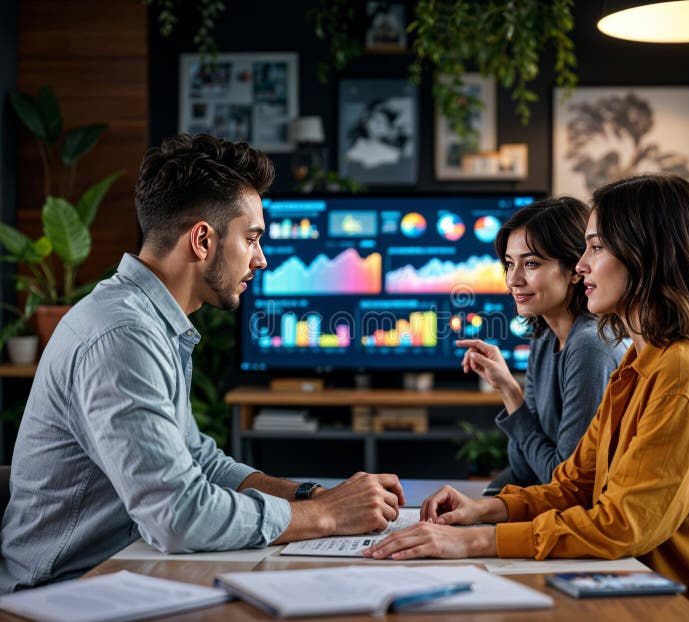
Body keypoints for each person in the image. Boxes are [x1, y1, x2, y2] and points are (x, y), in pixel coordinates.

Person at [0, 134, 404, 592]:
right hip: (59, 592)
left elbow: (198, 463)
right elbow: (179, 516)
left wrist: (310, 495)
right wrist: (326, 516)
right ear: (202, 239)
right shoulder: (123, 336)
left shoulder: (149, 321)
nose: (261, 259)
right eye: (251, 238)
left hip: (121, 571)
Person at [366, 174, 689, 620]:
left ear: (646, 254)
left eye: (596, 248)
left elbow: (622, 525)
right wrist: (485, 509)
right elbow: (574, 485)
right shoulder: (640, 362)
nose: (581, 266)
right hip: (633, 586)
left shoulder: (682, 372)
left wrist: (476, 539)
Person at [456, 197, 626, 489]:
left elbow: (564, 483)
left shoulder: (589, 348)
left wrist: (511, 393)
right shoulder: (544, 339)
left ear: (575, 270)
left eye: (531, 263)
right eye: (510, 264)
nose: (513, 279)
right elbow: (523, 468)